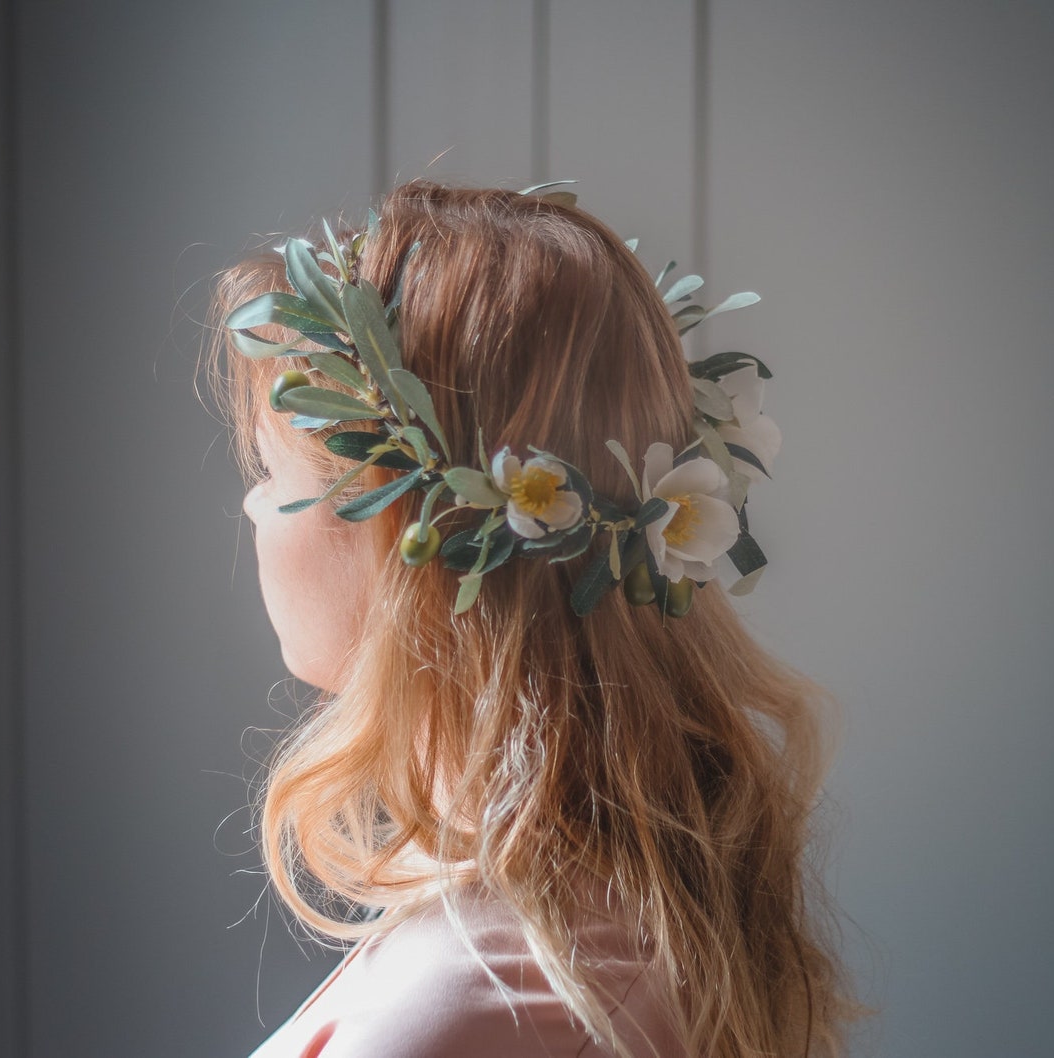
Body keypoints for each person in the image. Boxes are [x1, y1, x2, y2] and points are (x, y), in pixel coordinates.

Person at [202, 179, 861, 1057]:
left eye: (275, 469)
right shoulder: (598, 925)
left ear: (404, 521)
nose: (251, 506)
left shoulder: (466, 1010)